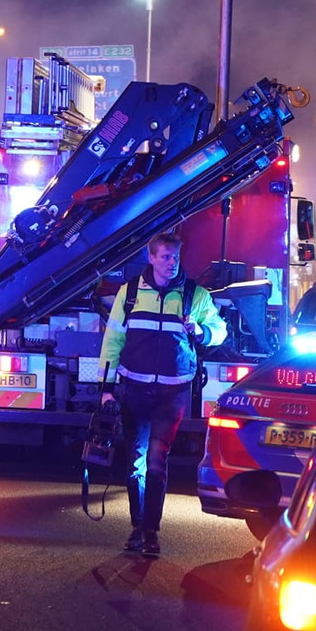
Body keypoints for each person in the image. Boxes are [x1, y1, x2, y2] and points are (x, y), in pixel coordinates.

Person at [99, 231, 227, 557]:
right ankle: (136, 526)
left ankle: (151, 531)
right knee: (136, 463)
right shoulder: (129, 294)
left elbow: (219, 331)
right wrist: (106, 390)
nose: (172, 264)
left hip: (173, 393)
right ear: (151, 257)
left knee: (157, 461)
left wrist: (201, 330)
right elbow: (113, 342)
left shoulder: (193, 295)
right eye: (165, 257)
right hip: (134, 390)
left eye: (176, 257)